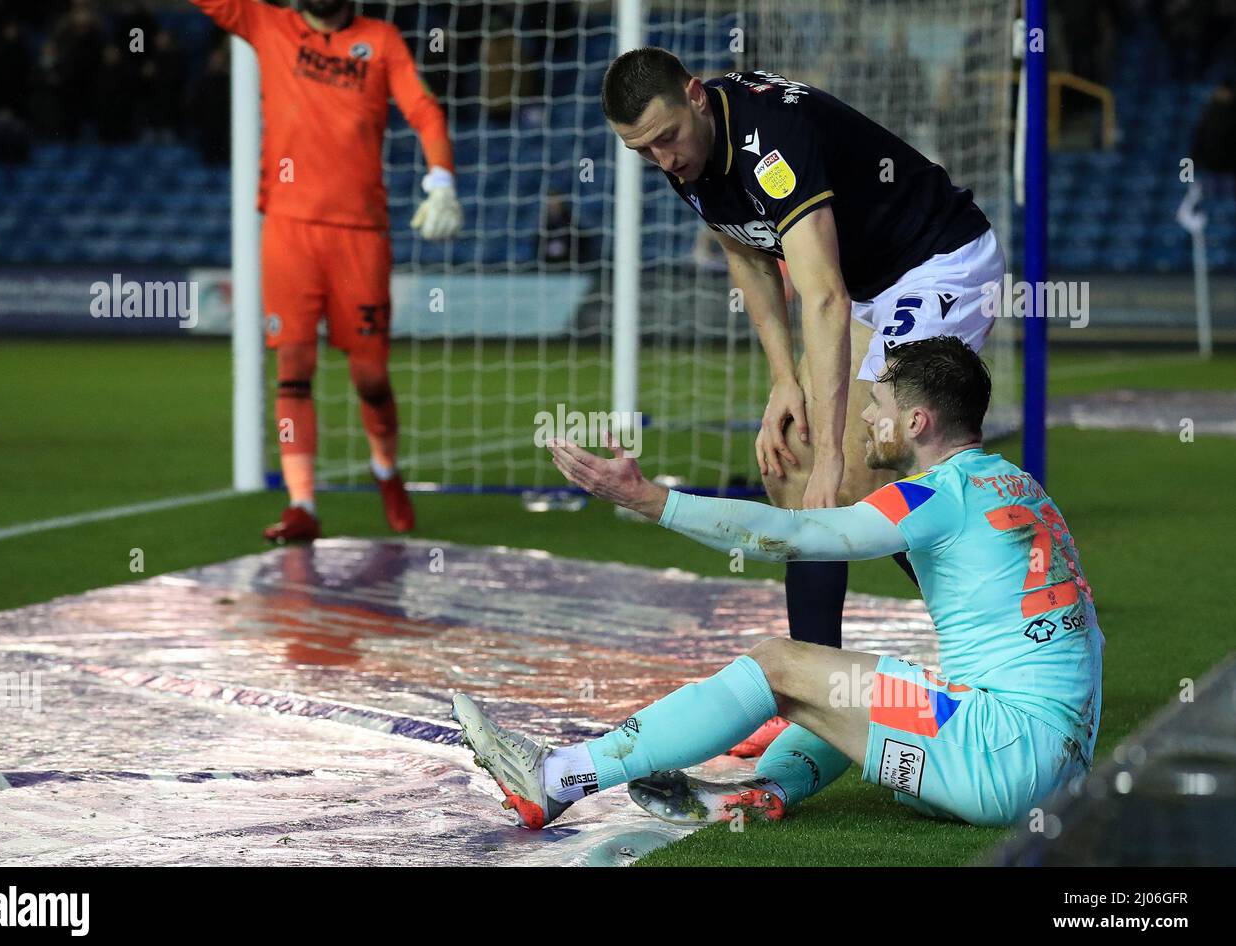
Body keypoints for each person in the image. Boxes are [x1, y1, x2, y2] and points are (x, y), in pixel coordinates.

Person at [456, 337, 1102, 830]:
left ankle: (560, 776)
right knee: (852, 682)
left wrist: (652, 500)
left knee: (776, 666)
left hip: (999, 753)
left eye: (876, 407)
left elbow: (795, 535)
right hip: (1053, 769)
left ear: (916, 423)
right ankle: (763, 793)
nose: (866, 421)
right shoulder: (1018, 485)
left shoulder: (936, 494)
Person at [600, 47, 1006, 755]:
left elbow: (822, 295)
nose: (661, 159)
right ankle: (811, 698)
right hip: (874, 287)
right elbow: (745, 251)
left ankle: (1009, 633)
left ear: (696, 96)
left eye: (665, 138)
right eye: (643, 150)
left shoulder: (768, 141)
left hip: (939, 263)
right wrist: (783, 382)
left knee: (863, 465)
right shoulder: (686, 152)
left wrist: (833, 466)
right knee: (790, 467)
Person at [189, 0, 463, 540]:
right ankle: (303, 506)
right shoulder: (267, 24)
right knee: (293, 365)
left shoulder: (380, 41)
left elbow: (424, 108)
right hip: (288, 230)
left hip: (359, 235)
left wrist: (442, 175)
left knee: (370, 375)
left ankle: (384, 468)